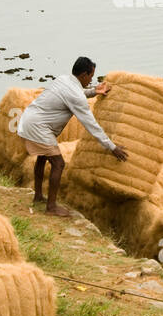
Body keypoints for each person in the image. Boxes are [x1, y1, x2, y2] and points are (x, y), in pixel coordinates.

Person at [18, 56, 128, 216]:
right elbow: (91, 125)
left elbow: (75, 93)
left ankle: (38, 197)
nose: (91, 80)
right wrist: (112, 147)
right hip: (39, 127)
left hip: (30, 119)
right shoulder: (75, 95)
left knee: (42, 157)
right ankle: (51, 207)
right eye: (90, 76)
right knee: (58, 164)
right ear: (84, 74)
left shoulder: (64, 79)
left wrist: (94, 92)